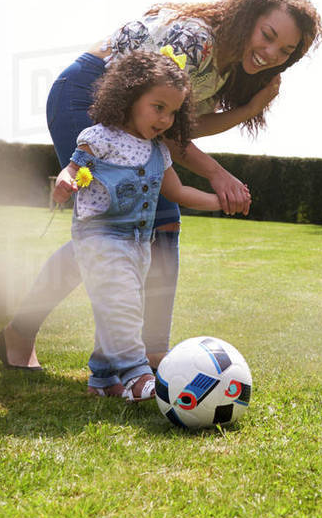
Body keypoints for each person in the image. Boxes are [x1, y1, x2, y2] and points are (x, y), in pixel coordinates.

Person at [0, 0, 322, 371]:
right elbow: (162, 125)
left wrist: (250, 106)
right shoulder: (196, 39)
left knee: (163, 223)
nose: (271, 55)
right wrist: (217, 175)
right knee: (109, 230)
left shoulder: (230, 67)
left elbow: (178, 125)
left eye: (285, 51)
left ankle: (152, 354)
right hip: (85, 97)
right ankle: (64, 344)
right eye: (268, 36)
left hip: (136, 119)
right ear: (247, 19)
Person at [53, 48, 223, 399]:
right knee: (123, 303)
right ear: (130, 97)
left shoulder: (157, 151)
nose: (164, 119)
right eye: (158, 107)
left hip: (138, 242)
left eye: (173, 112)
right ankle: (136, 373)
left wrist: (220, 202)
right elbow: (71, 168)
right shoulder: (99, 137)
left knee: (114, 303)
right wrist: (64, 182)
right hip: (99, 237)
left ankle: (102, 380)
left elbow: (178, 192)